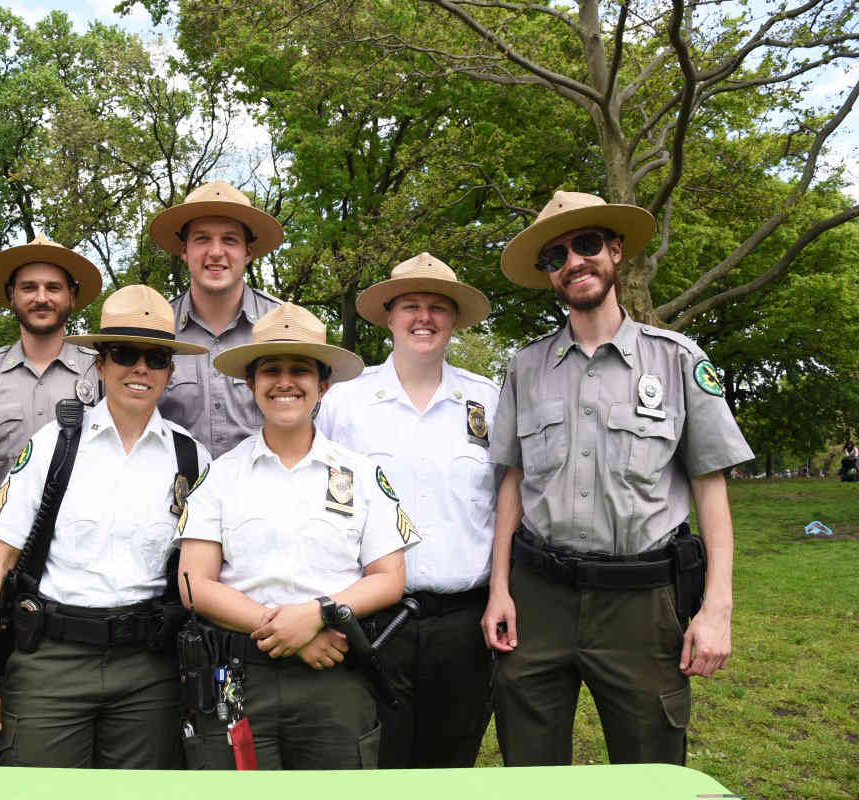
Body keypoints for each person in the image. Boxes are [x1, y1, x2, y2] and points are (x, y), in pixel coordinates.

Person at [483, 191, 755, 766]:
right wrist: (500, 589)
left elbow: (710, 487)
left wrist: (717, 608)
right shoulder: (525, 367)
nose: (573, 262)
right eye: (555, 255)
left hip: (640, 604)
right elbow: (513, 482)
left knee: (650, 769)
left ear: (615, 250)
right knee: (529, 772)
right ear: (548, 273)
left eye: (585, 244)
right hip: (538, 601)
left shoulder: (677, 360)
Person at [0, 284, 211, 768]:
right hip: (52, 660)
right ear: (100, 363)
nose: (140, 368)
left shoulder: (191, 458)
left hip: (148, 668)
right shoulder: (54, 444)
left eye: (155, 358)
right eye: (124, 354)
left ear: (170, 371)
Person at [177, 302, 421, 769]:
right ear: (251, 383)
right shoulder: (221, 475)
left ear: (323, 385)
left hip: (334, 678)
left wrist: (315, 615)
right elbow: (195, 584)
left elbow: (389, 578)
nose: (284, 381)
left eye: (300, 370)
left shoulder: (361, 474)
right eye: (271, 370)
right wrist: (288, 631)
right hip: (240, 678)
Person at [316, 252, 498, 768]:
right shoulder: (345, 404)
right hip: (373, 619)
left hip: (465, 621)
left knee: (452, 765)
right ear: (389, 316)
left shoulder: (488, 401)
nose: (424, 317)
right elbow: (320, 511)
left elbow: (509, 501)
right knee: (376, 764)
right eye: (410, 306)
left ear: (454, 319)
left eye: (438, 307)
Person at [0, 235, 103, 592]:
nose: (41, 297)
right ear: (11, 296)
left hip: (80, 550)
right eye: (29, 287)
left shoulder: (101, 372)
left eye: (54, 287)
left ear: (72, 296)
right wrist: (7, 508)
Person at [150, 180, 283, 457]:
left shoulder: (282, 325)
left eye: (229, 240)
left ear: (248, 252)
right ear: (184, 250)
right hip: (175, 481)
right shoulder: (156, 327)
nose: (215, 252)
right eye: (202, 239)